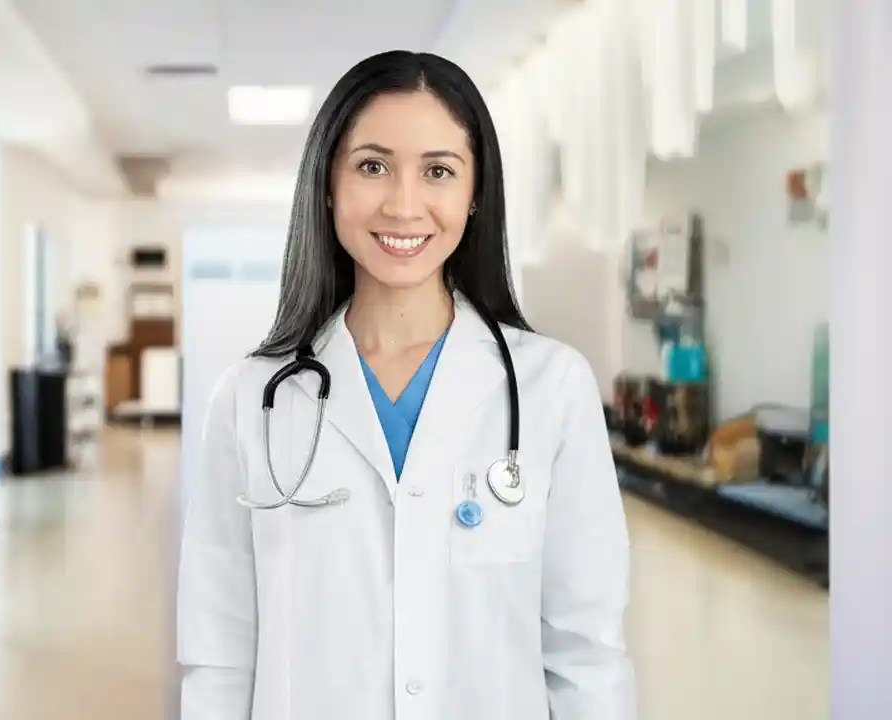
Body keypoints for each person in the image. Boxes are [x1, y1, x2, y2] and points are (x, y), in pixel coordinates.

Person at [176, 50, 635, 719]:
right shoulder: (250, 399)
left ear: (475, 194)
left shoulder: (552, 388)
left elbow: (587, 653)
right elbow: (219, 652)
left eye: (438, 171)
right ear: (328, 184)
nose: (403, 204)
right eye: (372, 166)